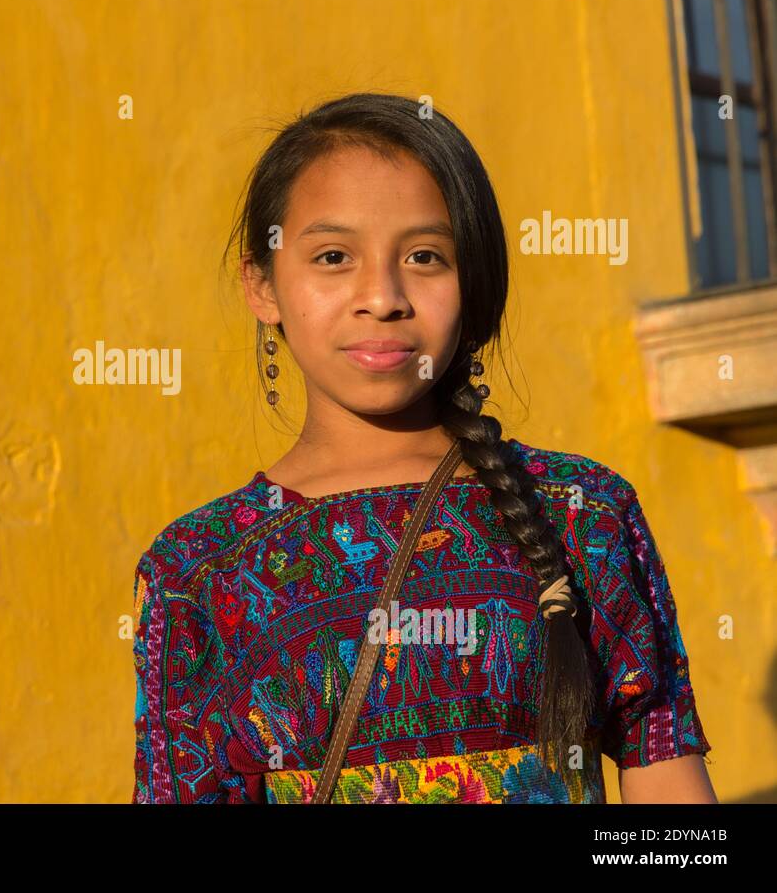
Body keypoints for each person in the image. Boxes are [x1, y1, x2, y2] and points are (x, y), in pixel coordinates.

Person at [131, 93, 715, 804]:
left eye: (425, 256)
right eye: (334, 256)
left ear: (475, 282)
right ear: (264, 284)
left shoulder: (582, 515)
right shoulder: (199, 572)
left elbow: (669, 788)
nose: (382, 297)